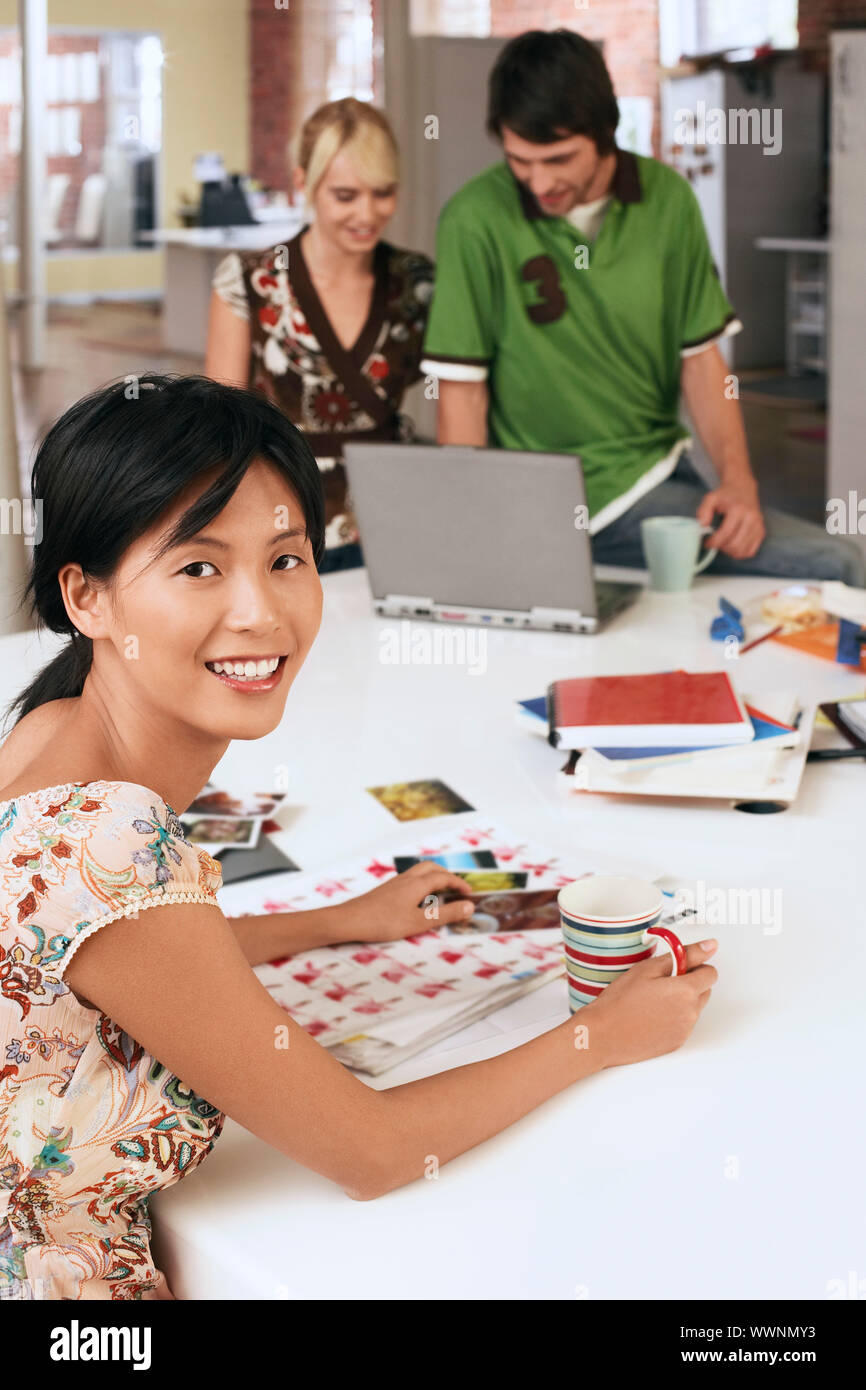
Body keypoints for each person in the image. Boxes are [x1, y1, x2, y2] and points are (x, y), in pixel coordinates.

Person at [0, 374, 717, 1301]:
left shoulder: (46, 729)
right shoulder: (113, 841)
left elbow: (110, 961)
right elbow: (372, 1152)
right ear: (86, 598)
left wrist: (338, 921)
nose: (260, 612)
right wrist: (601, 1037)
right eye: (199, 568)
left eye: (286, 559)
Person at [420, 28, 865, 586]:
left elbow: (702, 363)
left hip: (658, 479)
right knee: (839, 565)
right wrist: (480, 534)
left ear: (605, 132)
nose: (539, 181)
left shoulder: (668, 200)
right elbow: (462, 393)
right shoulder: (473, 219)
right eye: (519, 161)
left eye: (558, 159)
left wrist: (739, 482)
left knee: (828, 569)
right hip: (546, 501)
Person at [205, 98, 434, 574]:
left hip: (394, 515)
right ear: (302, 183)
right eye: (345, 196)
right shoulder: (249, 281)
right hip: (280, 522)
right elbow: (222, 431)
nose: (367, 214)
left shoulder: (418, 283)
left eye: (383, 193)